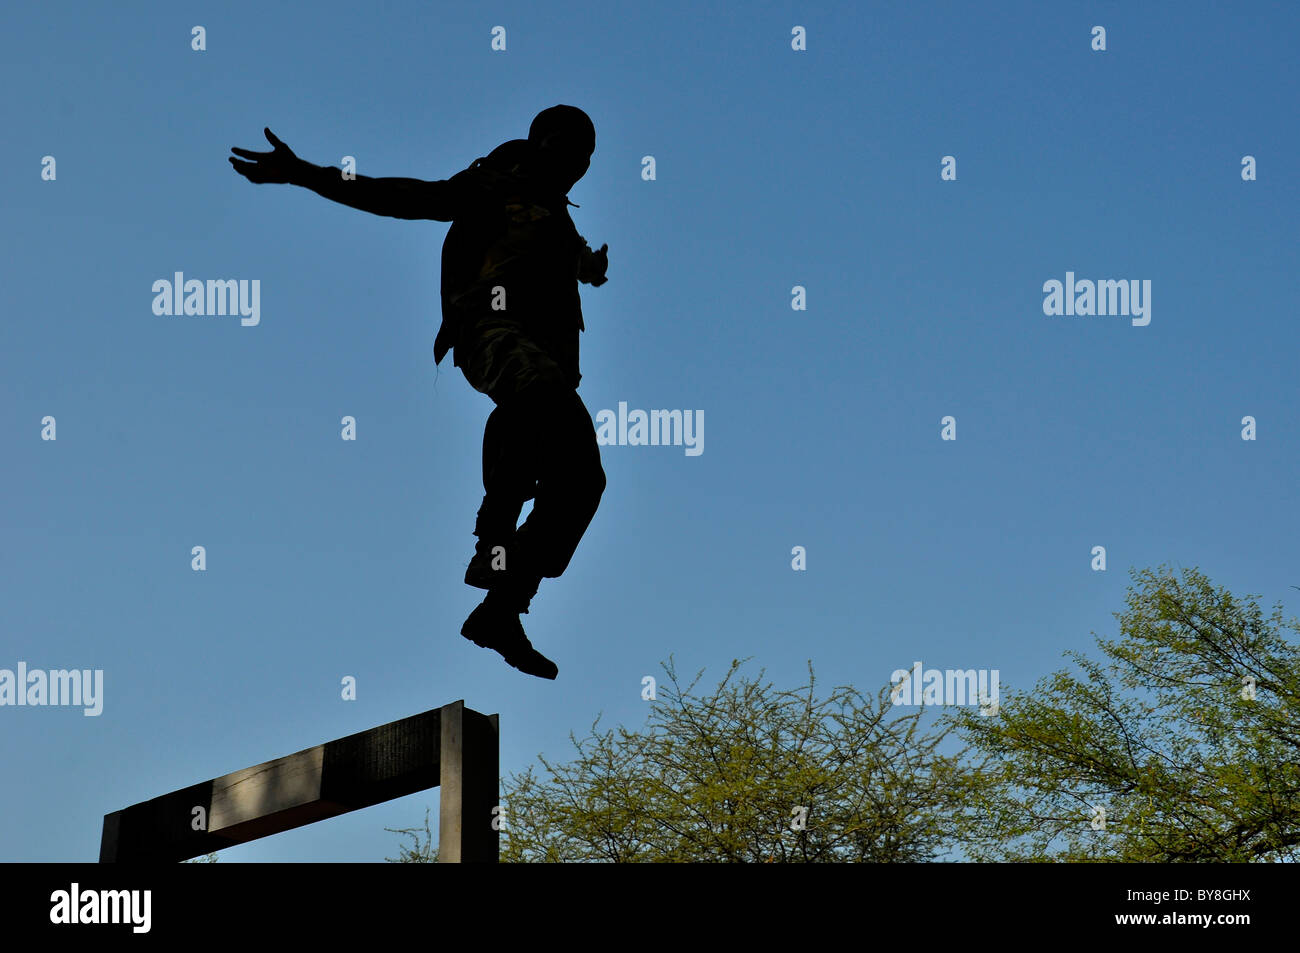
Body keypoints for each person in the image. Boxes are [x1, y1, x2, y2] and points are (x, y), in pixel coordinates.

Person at [229, 105, 609, 680]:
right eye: (564, 146)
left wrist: (591, 268)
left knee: (583, 481)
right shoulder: (492, 185)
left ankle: (501, 610)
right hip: (491, 329)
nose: (575, 163)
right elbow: (401, 196)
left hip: (550, 367)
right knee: (533, 389)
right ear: (536, 144)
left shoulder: (559, 220)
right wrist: (307, 172)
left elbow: (574, 259)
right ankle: (494, 539)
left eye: (585, 156)